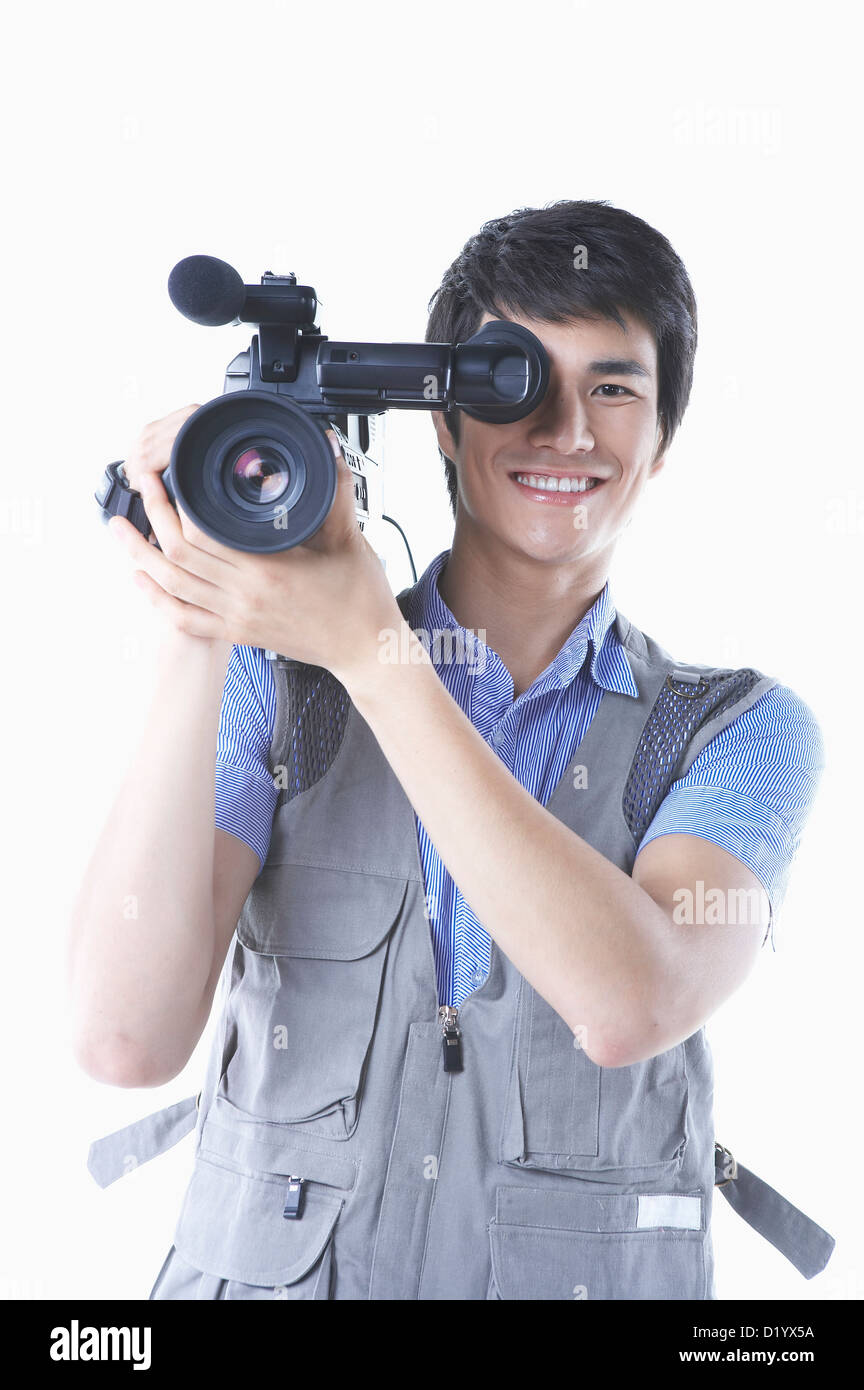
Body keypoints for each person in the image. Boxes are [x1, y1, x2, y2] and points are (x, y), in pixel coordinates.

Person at [70, 200, 832, 1300]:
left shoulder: (736, 729)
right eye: (512, 380)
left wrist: (376, 651)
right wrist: (203, 601)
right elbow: (122, 1038)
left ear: (665, 438)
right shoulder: (283, 683)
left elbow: (628, 1005)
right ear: (439, 416)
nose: (565, 430)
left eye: (614, 388)